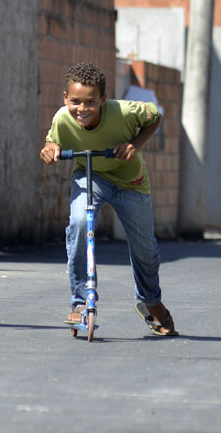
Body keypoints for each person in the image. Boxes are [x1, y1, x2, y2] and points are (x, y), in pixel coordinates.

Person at [39, 62, 177, 336]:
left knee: (145, 250)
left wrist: (134, 145)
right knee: (79, 224)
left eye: (90, 102)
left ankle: (150, 301)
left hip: (130, 182)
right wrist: (50, 149)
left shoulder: (125, 111)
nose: (82, 109)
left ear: (103, 99)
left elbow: (155, 116)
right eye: (75, 101)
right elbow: (52, 142)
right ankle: (81, 301)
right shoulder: (62, 119)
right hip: (91, 176)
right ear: (65, 98)